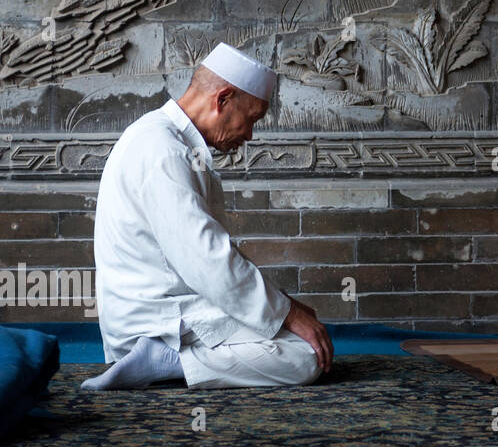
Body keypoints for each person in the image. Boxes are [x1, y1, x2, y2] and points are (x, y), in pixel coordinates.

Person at [81, 42, 333, 391]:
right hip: (159, 319)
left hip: (181, 306)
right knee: (305, 356)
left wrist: (285, 307)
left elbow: (213, 253)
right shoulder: (161, 148)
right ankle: (166, 359)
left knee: (299, 340)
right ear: (222, 99)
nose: (249, 134)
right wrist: (286, 313)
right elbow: (207, 260)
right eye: (252, 119)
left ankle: (168, 361)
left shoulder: (169, 140)